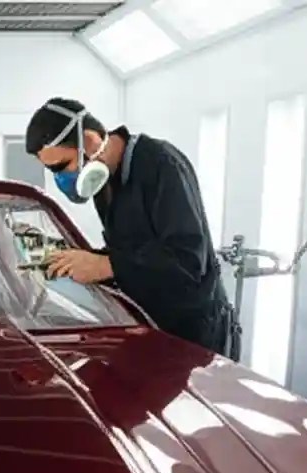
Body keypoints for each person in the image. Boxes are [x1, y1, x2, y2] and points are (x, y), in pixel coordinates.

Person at [25, 98, 240, 359]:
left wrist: (106, 265)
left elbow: (187, 261)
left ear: (90, 141)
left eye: (62, 167)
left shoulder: (162, 165)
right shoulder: (104, 181)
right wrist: (79, 260)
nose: (61, 179)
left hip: (196, 335)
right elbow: (134, 249)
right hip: (153, 326)